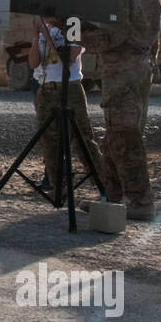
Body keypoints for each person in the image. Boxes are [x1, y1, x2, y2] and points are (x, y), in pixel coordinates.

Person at [79, 0, 161, 221]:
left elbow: (113, 35)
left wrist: (77, 34)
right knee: (118, 135)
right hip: (141, 71)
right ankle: (112, 198)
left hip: (121, 74)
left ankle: (139, 201)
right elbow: (154, 37)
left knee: (125, 136)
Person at [28, 15, 103, 203]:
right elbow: (33, 63)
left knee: (83, 139)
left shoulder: (72, 24)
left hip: (70, 87)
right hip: (46, 88)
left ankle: (103, 185)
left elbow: (68, 57)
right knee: (50, 141)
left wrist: (46, 32)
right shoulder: (42, 28)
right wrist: (37, 36)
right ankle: (58, 186)